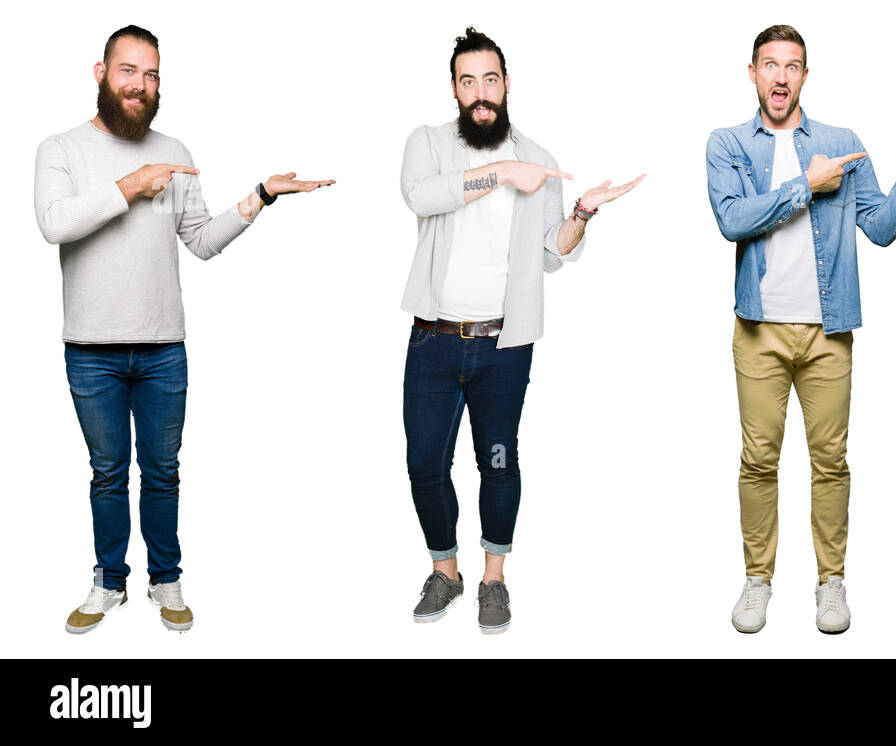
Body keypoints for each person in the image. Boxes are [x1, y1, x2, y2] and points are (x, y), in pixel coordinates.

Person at [35, 25, 334, 634]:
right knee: (108, 472)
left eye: (151, 76)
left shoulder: (176, 152)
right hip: (91, 351)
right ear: (101, 73)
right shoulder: (60, 149)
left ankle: (165, 579)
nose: (140, 86)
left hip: (164, 349)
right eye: (128, 72)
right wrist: (131, 185)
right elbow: (53, 223)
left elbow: (199, 242)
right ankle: (108, 583)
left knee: (164, 471)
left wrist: (260, 197)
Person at [706, 24, 896, 634]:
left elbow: (878, 227)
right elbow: (732, 220)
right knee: (759, 459)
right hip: (759, 331)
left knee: (830, 460)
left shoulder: (841, 142)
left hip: (830, 331)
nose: (780, 76)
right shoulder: (727, 144)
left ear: (806, 74)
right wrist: (809, 184)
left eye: (792, 66)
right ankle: (758, 580)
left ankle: (831, 581)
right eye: (769, 65)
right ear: (752, 73)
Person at [400, 27, 643, 634]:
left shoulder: (541, 159)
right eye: (467, 81)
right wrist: (502, 172)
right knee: (425, 463)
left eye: (490, 79)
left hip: (504, 346)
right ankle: (445, 571)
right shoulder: (428, 142)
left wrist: (583, 213)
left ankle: (493, 580)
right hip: (432, 340)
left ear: (506, 85)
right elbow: (421, 197)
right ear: (454, 89)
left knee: (498, 460)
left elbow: (551, 253)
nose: (480, 93)